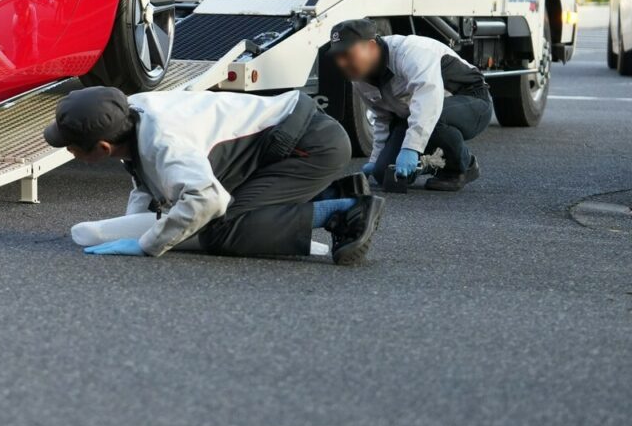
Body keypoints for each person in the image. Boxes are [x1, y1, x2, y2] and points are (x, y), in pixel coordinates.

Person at [44, 86, 383, 264]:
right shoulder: (126, 113)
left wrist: (148, 244)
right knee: (210, 213)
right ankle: (329, 194)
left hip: (309, 146)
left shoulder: (166, 143)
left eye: (71, 146)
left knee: (223, 229)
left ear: (103, 148)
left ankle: (341, 210)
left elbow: (207, 199)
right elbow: (146, 184)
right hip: (282, 140)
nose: (68, 150)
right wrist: (133, 227)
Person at [327, 18, 492, 192]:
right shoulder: (360, 77)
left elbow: (428, 103)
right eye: (337, 57)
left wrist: (411, 148)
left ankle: (462, 166)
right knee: (384, 174)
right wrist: (376, 161)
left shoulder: (411, 52)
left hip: (473, 101)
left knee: (432, 120)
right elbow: (383, 118)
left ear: (371, 46)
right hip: (419, 113)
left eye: (347, 55)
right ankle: (432, 164)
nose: (341, 62)